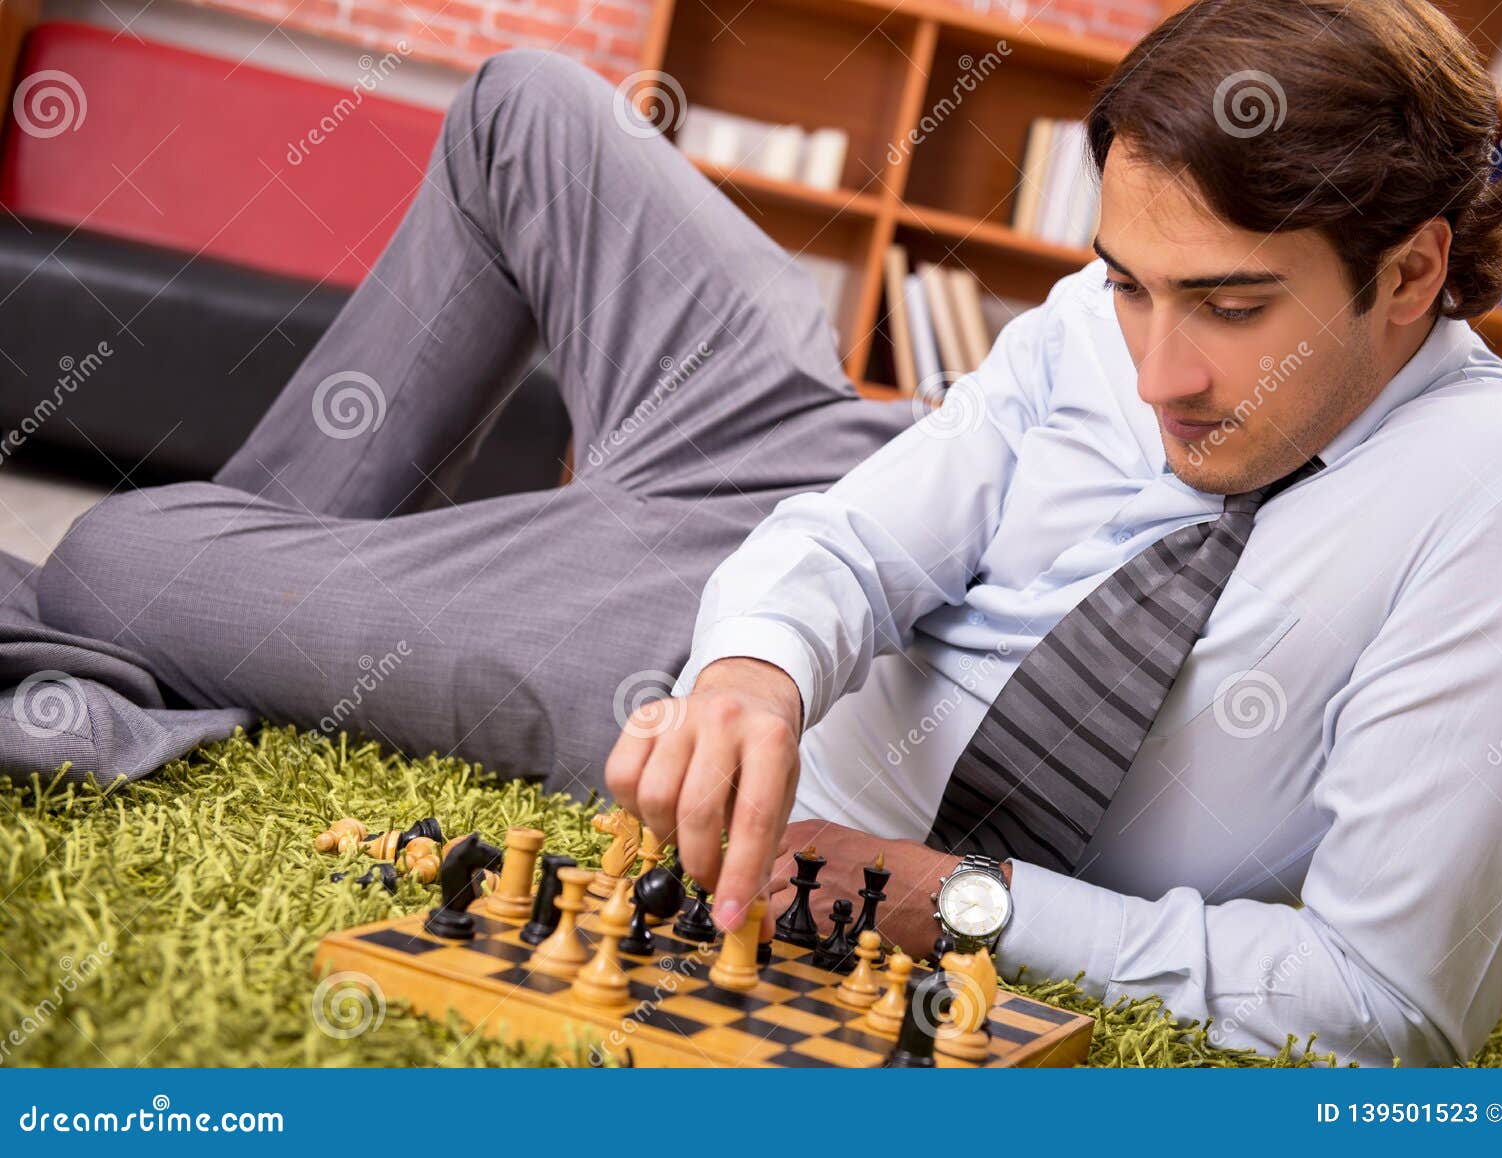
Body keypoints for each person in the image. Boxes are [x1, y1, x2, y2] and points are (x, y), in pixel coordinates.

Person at [604, 0, 1502, 1066]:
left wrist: (956, 901)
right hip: (702, 680)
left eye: (1230, 307)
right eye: (1131, 284)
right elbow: (851, 544)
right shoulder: (1091, 315)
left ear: (1408, 273)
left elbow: (1377, 1002)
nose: (1153, 376)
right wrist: (752, 676)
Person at [7, 46, 910, 788]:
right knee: (521, 103)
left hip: (785, 608)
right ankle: (245, 602)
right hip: (854, 444)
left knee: (114, 558)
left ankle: (212, 614)